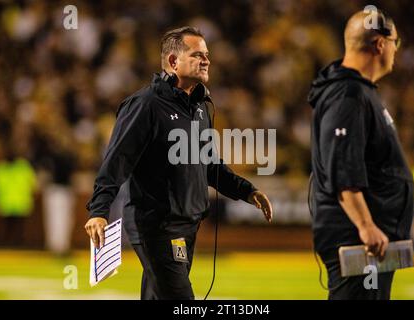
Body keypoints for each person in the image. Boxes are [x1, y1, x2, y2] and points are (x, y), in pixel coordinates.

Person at [85, 26, 273, 300]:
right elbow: (117, 160)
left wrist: (247, 191)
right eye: (197, 55)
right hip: (157, 226)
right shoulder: (145, 104)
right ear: (174, 62)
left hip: (187, 224)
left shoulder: (199, 108)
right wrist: (99, 210)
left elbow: (211, 166)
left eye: (206, 54)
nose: (207, 60)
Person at [308, 10, 414, 300]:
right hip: (359, 237)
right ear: (380, 44)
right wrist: (365, 225)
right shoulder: (348, 93)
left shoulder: (357, 92)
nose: (396, 50)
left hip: (368, 237)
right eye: (396, 42)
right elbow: (343, 166)